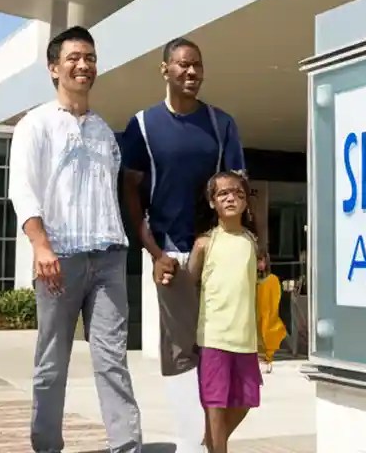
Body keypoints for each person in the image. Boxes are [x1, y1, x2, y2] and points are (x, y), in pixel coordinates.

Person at [119, 36, 265, 453]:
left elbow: (240, 189)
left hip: (221, 252)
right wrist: (155, 253)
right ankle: (193, 444)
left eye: (198, 65)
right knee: (187, 357)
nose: (191, 72)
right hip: (174, 257)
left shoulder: (222, 124)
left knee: (231, 362)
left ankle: (207, 443)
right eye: (182, 65)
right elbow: (132, 193)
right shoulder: (143, 125)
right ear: (164, 69)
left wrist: (256, 247)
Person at [8, 25, 143, 453]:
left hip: (108, 258)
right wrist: (40, 245)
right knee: (52, 362)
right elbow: (22, 189)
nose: (83, 65)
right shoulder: (35, 124)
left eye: (90, 57)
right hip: (59, 259)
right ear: (53, 68)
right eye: (73, 58)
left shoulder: (105, 130)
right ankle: (46, 445)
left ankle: (127, 445)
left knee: (112, 359)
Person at [189, 171, 264, 453]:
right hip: (214, 337)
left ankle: (213, 442)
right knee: (215, 403)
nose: (231, 197)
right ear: (212, 203)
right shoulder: (205, 244)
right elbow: (188, 285)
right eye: (223, 194)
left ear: (245, 202)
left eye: (238, 193)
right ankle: (217, 448)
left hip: (245, 339)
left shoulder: (251, 242)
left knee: (246, 400)